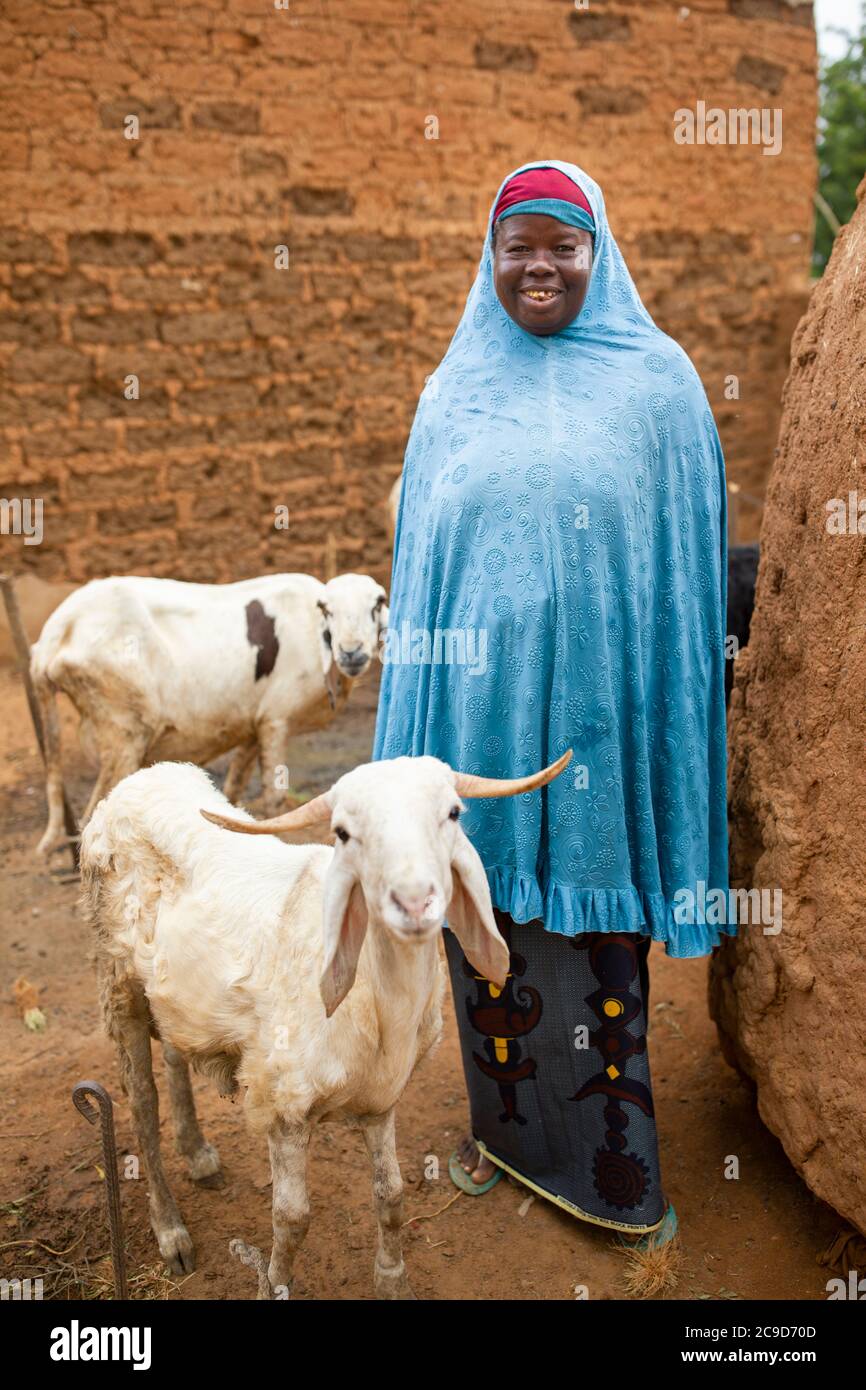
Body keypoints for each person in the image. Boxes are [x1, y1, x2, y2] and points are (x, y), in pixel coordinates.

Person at [372, 161, 731, 1246]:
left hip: (600, 740)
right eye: (515, 244)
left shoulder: (656, 385)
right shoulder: (452, 393)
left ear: (596, 253)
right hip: (474, 736)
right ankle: (505, 1140)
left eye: (560, 245)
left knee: (597, 949)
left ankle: (616, 1181)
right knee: (489, 931)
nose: (537, 264)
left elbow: (682, 569)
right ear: (490, 259)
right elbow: (426, 567)